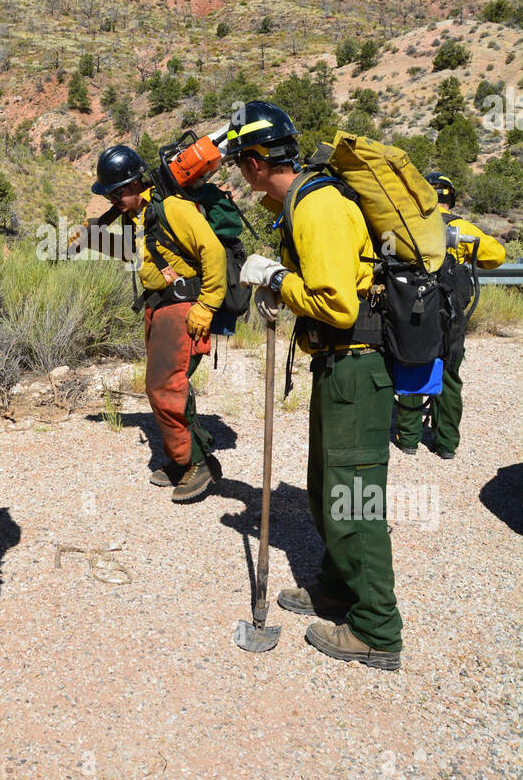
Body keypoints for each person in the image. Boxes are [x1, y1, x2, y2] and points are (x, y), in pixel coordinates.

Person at [232, 101, 402, 671]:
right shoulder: (306, 200)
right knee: (326, 487)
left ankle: (377, 629)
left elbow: (336, 301)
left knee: (355, 500)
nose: (239, 174)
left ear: (257, 161)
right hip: (338, 367)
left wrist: (278, 278)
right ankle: (335, 589)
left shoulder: (318, 208)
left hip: (356, 366)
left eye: (240, 162)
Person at [71, 145, 226, 502]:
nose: (110, 198)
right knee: (162, 385)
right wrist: (92, 239)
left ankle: (195, 463)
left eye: (114, 191)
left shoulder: (173, 208)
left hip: (184, 306)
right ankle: (183, 456)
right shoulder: (137, 217)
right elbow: (136, 253)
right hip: (158, 307)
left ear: (133, 184)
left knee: (165, 385)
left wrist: (207, 306)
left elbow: (213, 253)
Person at [394, 172, 506, 460]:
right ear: (450, 199)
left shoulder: (407, 227)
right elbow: (495, 256)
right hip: (451, 314)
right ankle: (445, 444)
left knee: (412, 364)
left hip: (415, 312)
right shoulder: (461, 227)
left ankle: (408, 439)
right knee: (449, 375)